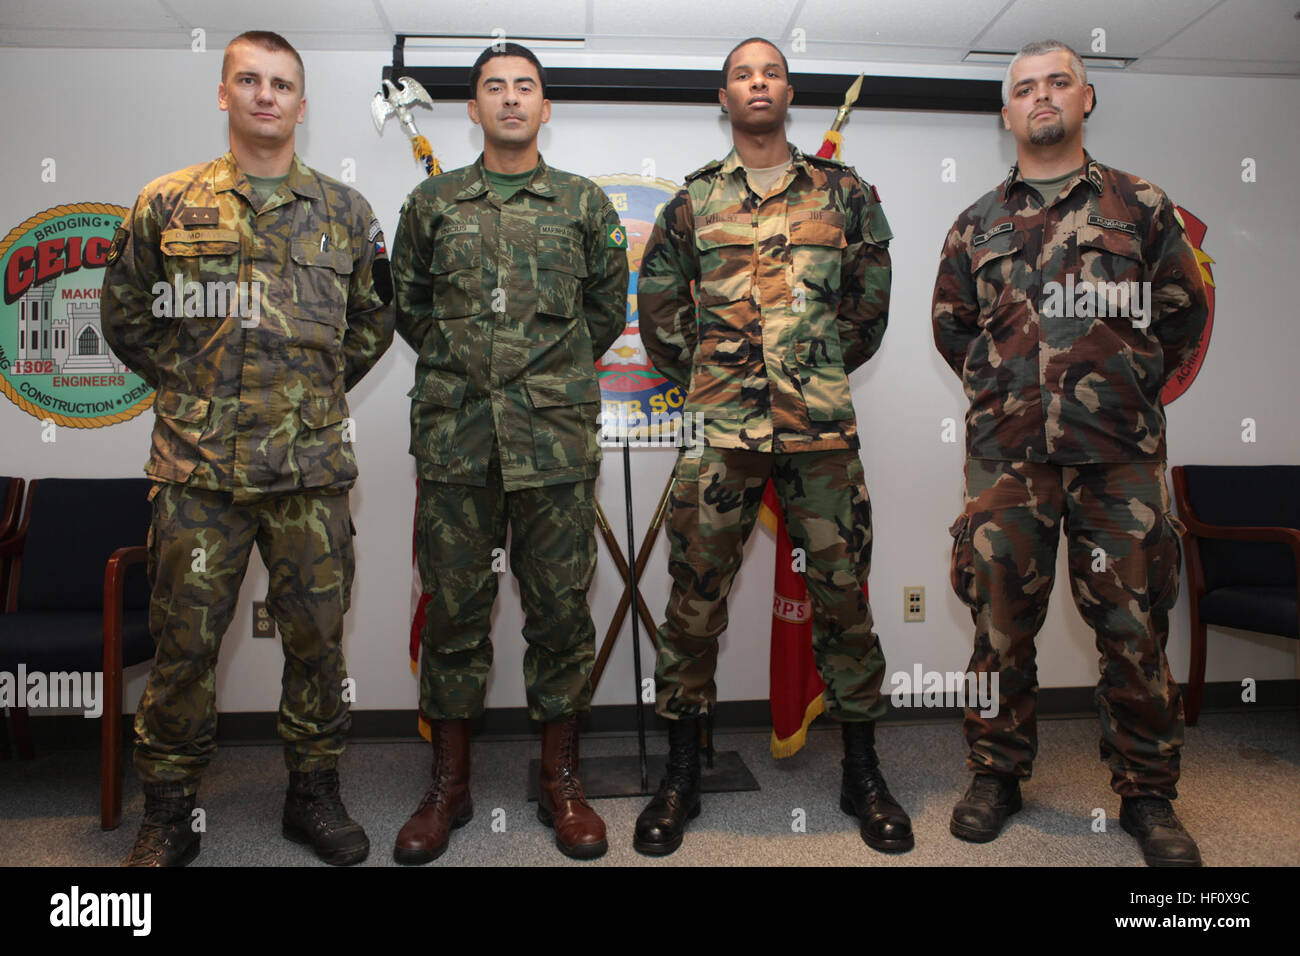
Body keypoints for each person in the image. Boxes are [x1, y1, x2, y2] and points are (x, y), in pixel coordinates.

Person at [101, 30, 393, 867]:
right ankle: (168, 809)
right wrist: (194, 384)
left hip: (310, 474)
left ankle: (313, 794)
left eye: (282, 84)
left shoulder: (346, 210)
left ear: (303, 104)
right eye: (249, 80)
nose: (266, 95)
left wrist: (313, 391)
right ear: (223, 93)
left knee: (315, 641)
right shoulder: (167, 200)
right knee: (185, 645)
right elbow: (125, 315)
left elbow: (373, 321)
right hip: (199, 471)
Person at [932, 39, 1209, 867]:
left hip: (1119, 456)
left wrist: (1121, 387)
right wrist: (1009, 396)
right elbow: (953, 330)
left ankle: (1149, 795)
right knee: (999, 628)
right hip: (1007, 460)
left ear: (1087, 99)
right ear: (1007, 112)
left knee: (1133, 626)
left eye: (1059, 82)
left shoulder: (1144, 207)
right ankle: (995, 775)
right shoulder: (975, 222)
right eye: (1025, 88)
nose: (1042, 97)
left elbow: (1184, 318)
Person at [635, 37, 911, 856]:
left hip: (820, 430)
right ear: (724, 98)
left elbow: (868, 308)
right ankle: (683, 770)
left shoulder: (845, 192)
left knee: (844, 597)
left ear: (790, 92)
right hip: (720, 430)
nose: (758, 84)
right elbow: (658, 313)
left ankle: (862, 771)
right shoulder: (693, 202)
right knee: (694, 598)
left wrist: (811, 368)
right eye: (742, 75)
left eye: (772, 72)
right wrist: (722, 373)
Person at [390, 42, 628, 863]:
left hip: (553, 443)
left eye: (525, 86)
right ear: (472, 107)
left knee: (560, 613)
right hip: (457, 441)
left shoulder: (583, 204)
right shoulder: (431, 204)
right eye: (494, 88)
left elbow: (602, 313)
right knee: (455, 613)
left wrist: (538, 378)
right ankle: (447, 788)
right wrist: (473, 371)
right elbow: (411, 310)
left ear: (546, 106)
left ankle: (561, 781)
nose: (511, 100)